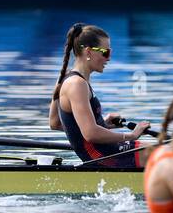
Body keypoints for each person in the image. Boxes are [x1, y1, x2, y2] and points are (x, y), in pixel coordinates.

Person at [50, 22, 150, 166]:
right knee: (160, 153)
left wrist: (102, 123)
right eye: (105, 52)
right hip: (100, 156)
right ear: (89, 52)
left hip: (101, 151)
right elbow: (90, 134)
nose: (108, 58)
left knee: (164, 153)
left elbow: (55, 123)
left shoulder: (65, 79)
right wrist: (132, 135)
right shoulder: (77, 84)